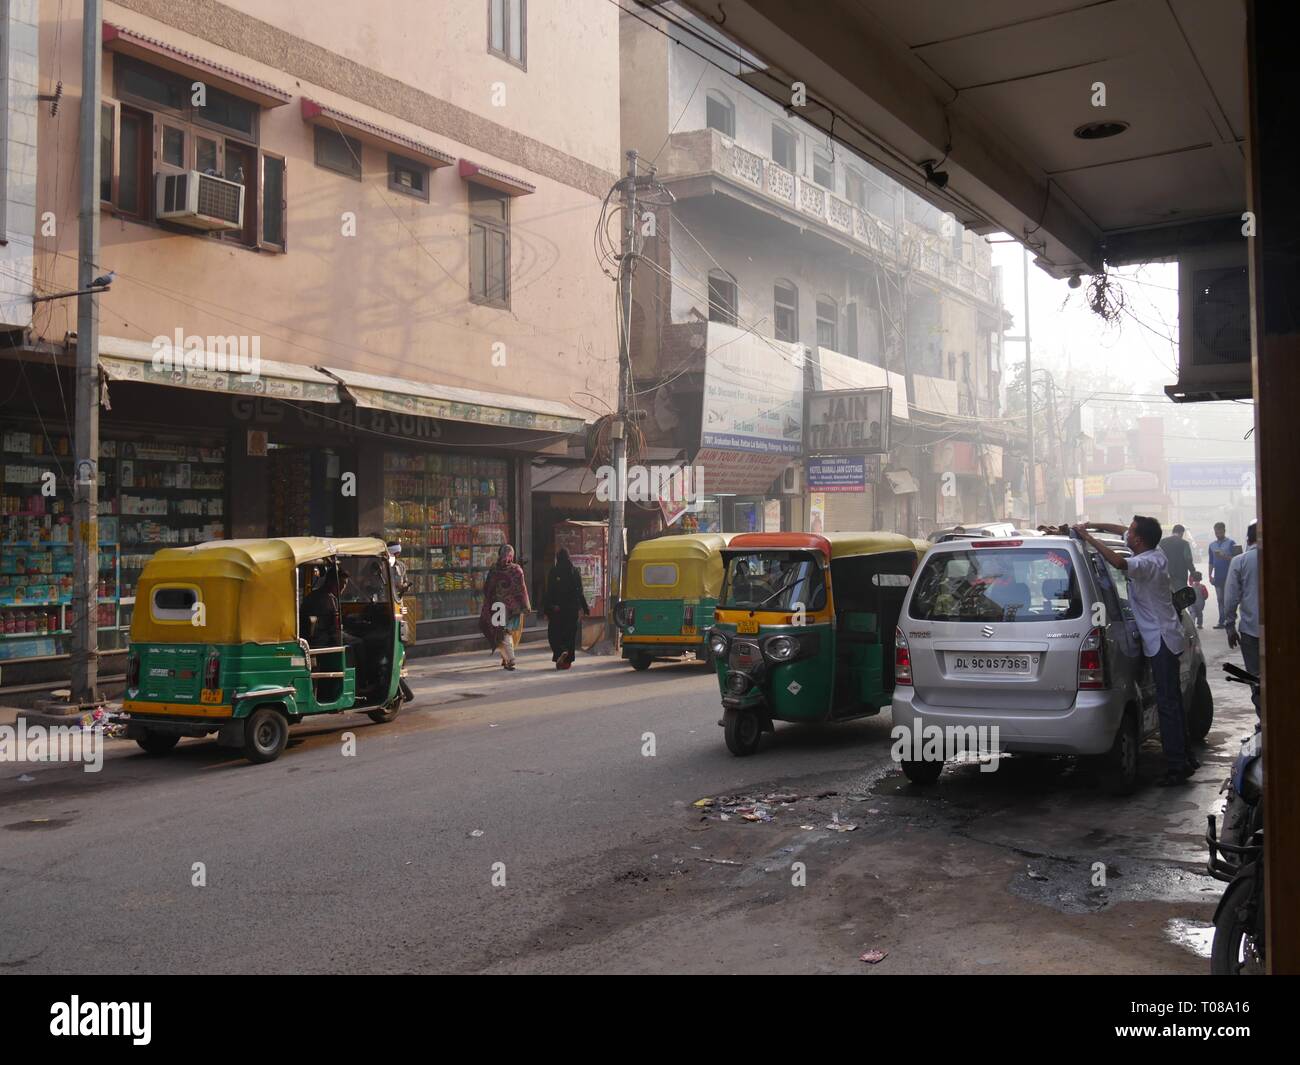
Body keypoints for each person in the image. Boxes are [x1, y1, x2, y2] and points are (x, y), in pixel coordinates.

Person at [1074, 517, 1199, 785]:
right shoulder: (1155, 551)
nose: (1126, 534)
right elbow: (1121, 533)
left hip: (1161, 640)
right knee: (1173, 703)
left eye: (1131, 532)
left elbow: (1118, 563)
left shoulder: (1146, 563)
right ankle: (1186, 758)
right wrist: (1092, 524)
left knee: (1167, 705)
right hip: (1166, 637)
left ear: (1139, 540)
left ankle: (1177, 766)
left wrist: (1088, 538)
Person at [1224, 520, 1261, 715]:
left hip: (1250, 631)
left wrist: (1229, 627)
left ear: (1248, 539)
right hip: (1283, 633)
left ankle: (1264, 723)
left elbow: (1230, 598)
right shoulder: (1285, 556)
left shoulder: (1240, 561)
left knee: (1256, 679)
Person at [479, 544, 531, 671]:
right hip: (514, 608)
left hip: (498, 607)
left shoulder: (494, 569)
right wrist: (525, 605)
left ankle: (510, 658)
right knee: (506, 632)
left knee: (502, 632)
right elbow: (522, 589)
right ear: (511, 555)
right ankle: (507, 658)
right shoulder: (517, 569)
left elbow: (487, 588)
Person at [541, 548, 590, 670]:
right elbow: (580, 592)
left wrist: (547, 609)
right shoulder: (574, 571)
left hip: (557, 610)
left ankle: (560, 652)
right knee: (569, 636)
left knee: (554, 634)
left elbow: (549, 592)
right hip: (572, 610)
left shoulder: (554, 571)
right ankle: (566, 661)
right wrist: (585, 608)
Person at [1207, 521, 1238, 628]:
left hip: (1230, 576)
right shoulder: (1212, 545)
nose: (1218, 534)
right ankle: (1221, 621)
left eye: (1219, 532)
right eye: (1216, 532)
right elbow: (1211, 562)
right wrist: (1209, 575)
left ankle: (1229, 620)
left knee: (1228, 599)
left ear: (1224, 531)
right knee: (1220, 599)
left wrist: (1223, 556)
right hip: (1218, 576)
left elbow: (1237, 559)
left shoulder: (1231, 543)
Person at [1158, 524, 1194, 595]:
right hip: (1180, 575)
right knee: (1180, 599)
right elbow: (1188, 559)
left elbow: (1158, 557)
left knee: (1167, 598)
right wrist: (1193, 572)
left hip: (1164, 575)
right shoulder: (1184, 544)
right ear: (1181, 533)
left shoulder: (1162, 542)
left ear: (1173, 532)